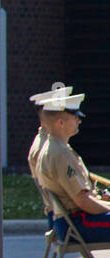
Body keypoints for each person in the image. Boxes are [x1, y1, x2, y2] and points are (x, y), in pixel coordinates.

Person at [29, 86, 110, 244]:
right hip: (77, 224)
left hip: (72, 222)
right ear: (60, 122)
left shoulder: (56, 148)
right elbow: (83, 202)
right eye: (75, 117)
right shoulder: (60, 153)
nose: (79, 120)